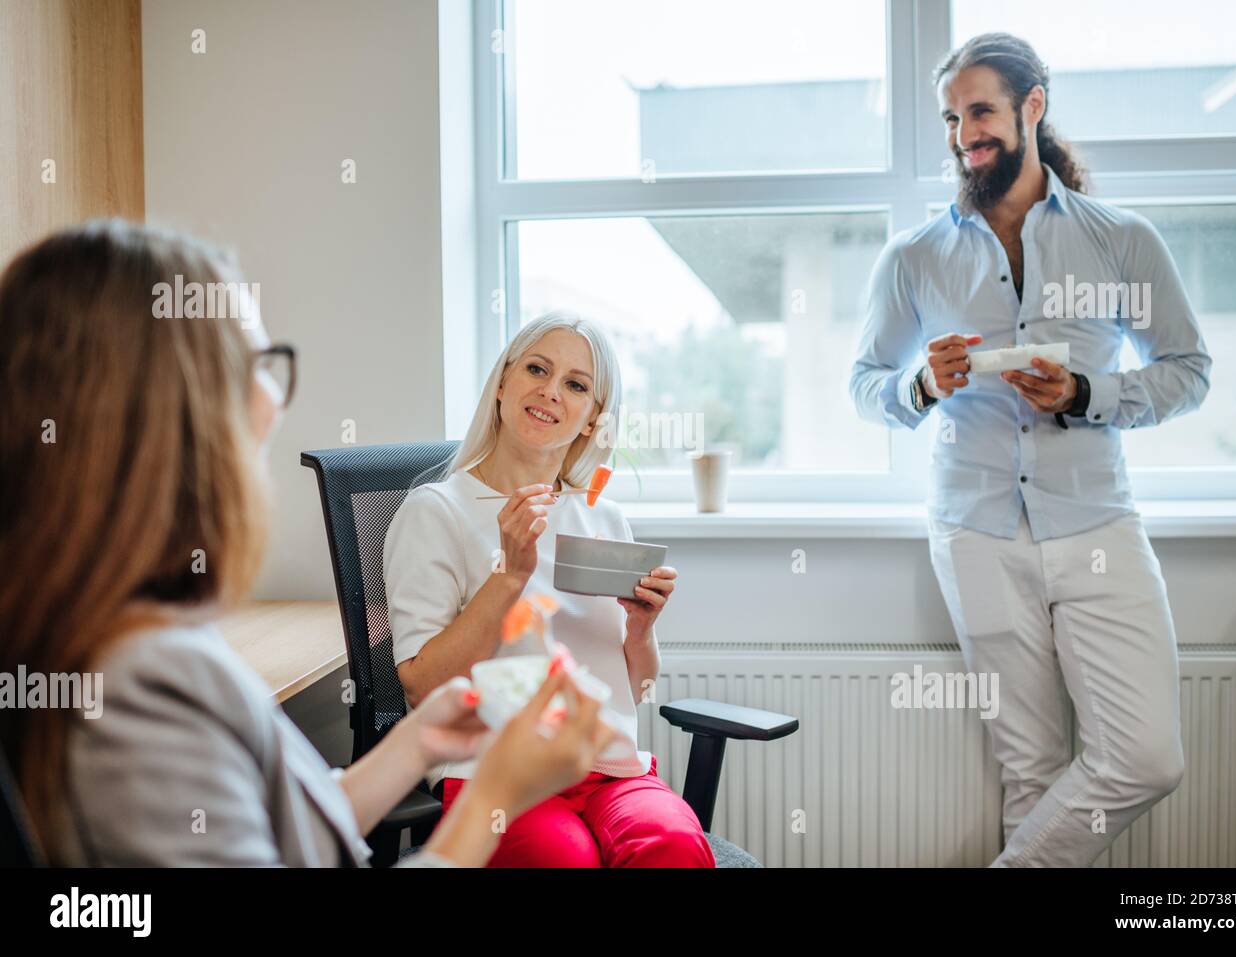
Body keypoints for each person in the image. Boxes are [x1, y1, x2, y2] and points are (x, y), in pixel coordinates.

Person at [0, 219, 615, 867]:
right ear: (164, 412)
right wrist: (495, 789)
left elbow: (279, 830)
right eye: (258, 366)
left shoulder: (131, 633)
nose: (276, 402)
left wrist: (417, 743)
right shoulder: (144, 687)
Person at [848, 33, 1211, 866]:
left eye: (979, 110)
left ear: (1032, 108)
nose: (962, 133)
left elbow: (1188, 370)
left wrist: (1088, 394)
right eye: (951, 116)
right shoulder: (914, 256)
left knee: (1147, 757)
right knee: (1032, 772)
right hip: (974, 527)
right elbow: (866, 382)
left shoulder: (1122, 240)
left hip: (1095, 523)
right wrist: (923, 387)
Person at [384, 312, 715, 867]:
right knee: (561, 857)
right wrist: (509, 575)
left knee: (674, 846)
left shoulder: (601, 518)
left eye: (576, 385)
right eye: (537, 369)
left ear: (591, 420)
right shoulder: (435, 511)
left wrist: (640, 631)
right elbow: (421, 685)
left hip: (606, 766)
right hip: (494, 770)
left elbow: (633, 691)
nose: (550, 391)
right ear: (504, 384)